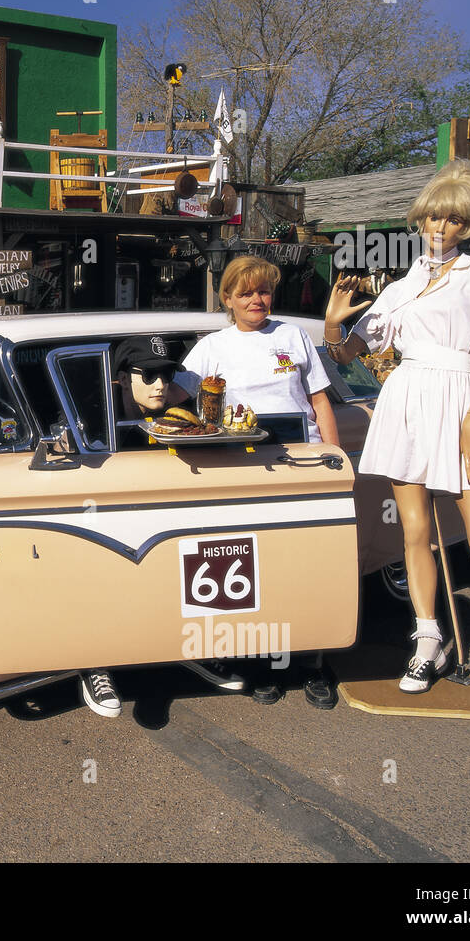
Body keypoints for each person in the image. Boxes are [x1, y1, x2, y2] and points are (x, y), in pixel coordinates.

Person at [323, 159, 470, 746]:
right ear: (420, 218)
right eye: (433, 215)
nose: (440, 226)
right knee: (413, 534)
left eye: (453, 218)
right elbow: (352, 352)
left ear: (468, 224)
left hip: (459, 401)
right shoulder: (401, 286)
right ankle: (427, 638)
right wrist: (332, 324)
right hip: (404, 399)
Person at [175, 257, 339, 708]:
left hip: (301, 463)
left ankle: (313, 663)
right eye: (245, 293)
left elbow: (319, 401)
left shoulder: (293, 336)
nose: (256, 300)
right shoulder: (212, 346)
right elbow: (175, 396)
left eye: (263, 291)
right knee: (252, 570)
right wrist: (138, 371)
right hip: (243, 469)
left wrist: (335, 457)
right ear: (227, 299)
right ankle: (263, 663)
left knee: (310, 567)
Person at [76, 335, 248, 719]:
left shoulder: (179, 410)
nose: (160, 383)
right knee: (98, 561)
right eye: (149, 374)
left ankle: (194, 648)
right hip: (108, 515)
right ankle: (94, 660)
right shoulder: (93, 412)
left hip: (167, 510)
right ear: (122, 378)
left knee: (207, 547)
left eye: (167, 374)